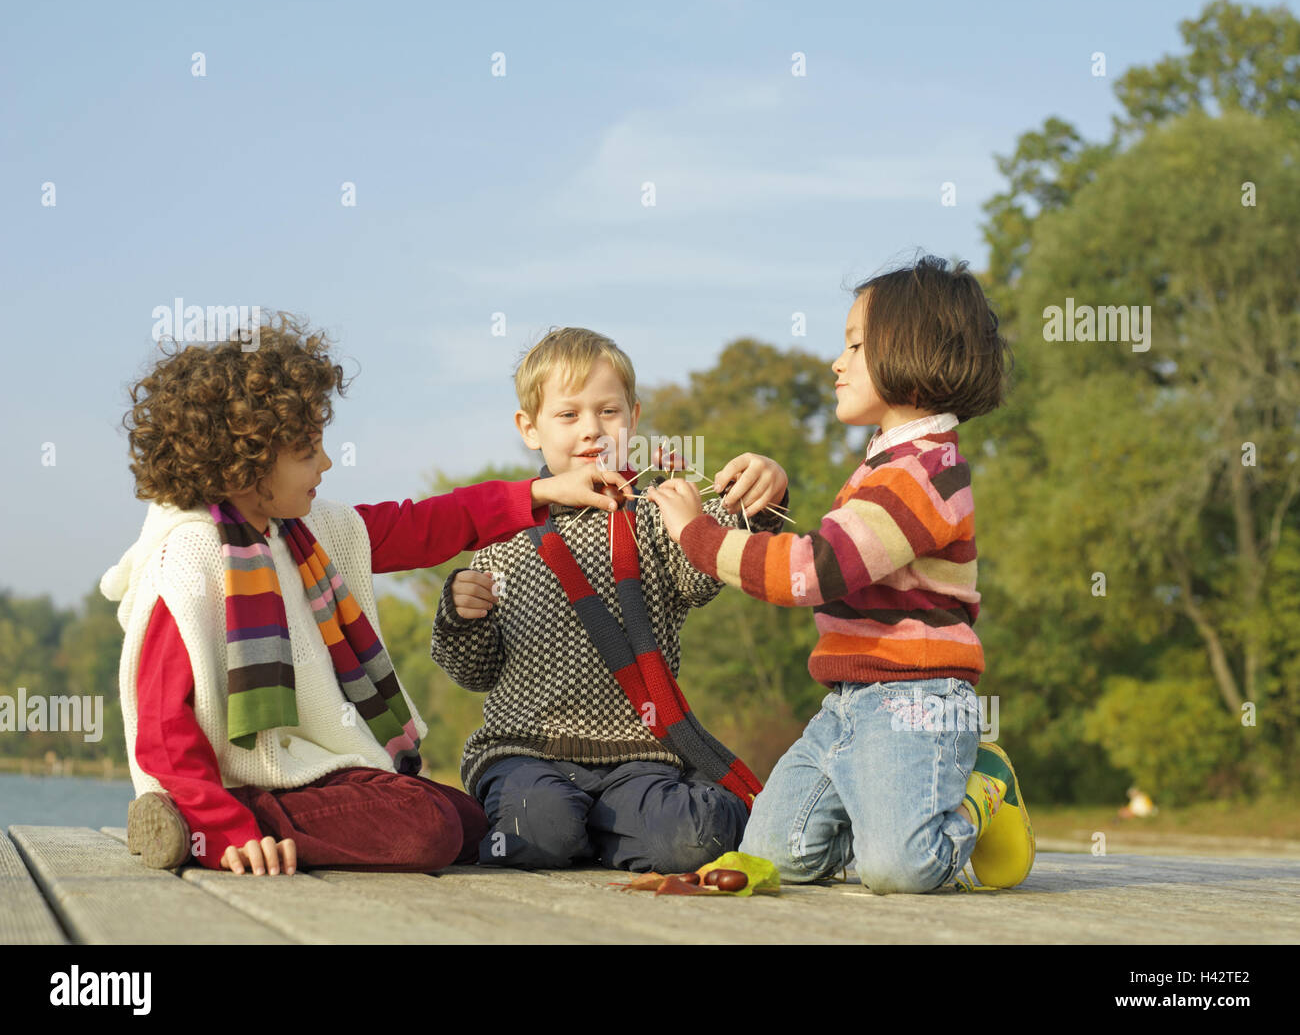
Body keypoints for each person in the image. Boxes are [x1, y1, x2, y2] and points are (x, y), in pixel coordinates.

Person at [102, 314, 630, 875]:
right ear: (247, 462)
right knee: (424, 826)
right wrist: (226, 831)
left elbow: (425, 526)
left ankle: (213, 823)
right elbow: (163, 729)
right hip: (227, 785)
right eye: (308, 452)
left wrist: (543, 490)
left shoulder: (306, 531)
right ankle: (194, 825)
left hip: (305, 769)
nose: (327, 464)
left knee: (469, 821)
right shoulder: (188, 557)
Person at [647, 254, 1034, 893]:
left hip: (918, 701)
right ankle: (891, 807)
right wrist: (770, 500)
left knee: (900, 870)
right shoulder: (884, 469)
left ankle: (982, 794)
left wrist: (698, 535)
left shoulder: (924, 476)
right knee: (778, 856)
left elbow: (815, 571)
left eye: (855, 344)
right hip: (849, 704)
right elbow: (842, 549)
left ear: (913, 351)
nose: (837, 361)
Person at [431, 326, 788, 872]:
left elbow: (702, 573)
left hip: (641, 757)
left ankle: (620, 823)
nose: (592, 430)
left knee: (691, 842)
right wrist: (460, 614)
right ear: (530, 428)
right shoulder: (502, 539)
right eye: (569, 415)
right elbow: (474, 671)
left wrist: (760, 497)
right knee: (539, 826)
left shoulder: (655, 516)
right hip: (525, 752)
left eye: (609, 412)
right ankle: (583, 830)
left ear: (634, 418)